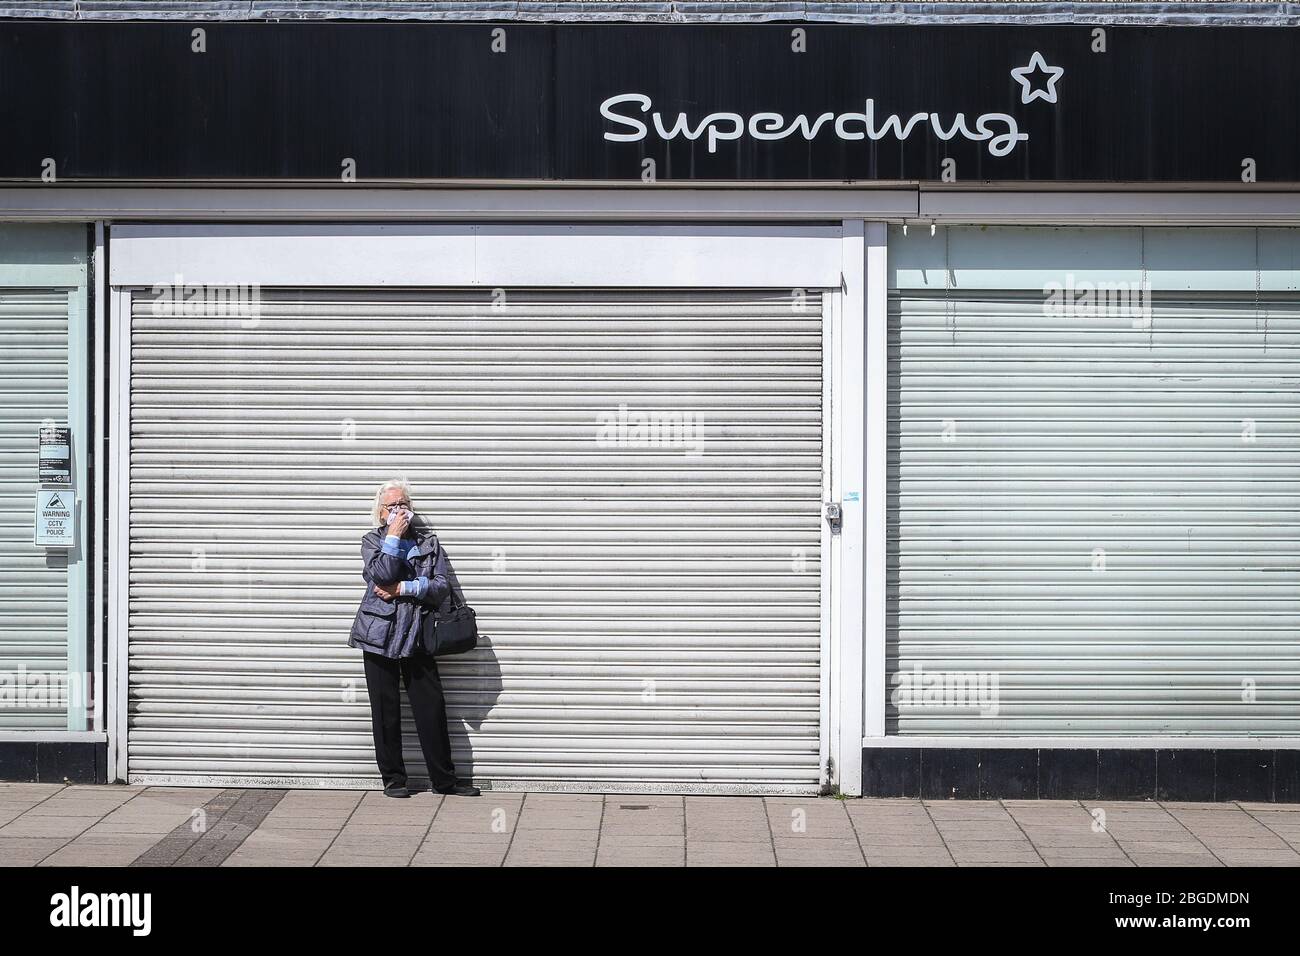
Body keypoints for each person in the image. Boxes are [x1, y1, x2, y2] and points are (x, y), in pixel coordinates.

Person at [348, 478, 480, 798]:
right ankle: (394, 780)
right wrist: (392, 539)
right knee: (385, 709)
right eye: (392, 506)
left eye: (403, 504)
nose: (399, 510)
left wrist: (405, 589)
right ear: (381, 513)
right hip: (379, 635)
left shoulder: (429, 542)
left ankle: (444, 781)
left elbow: (440, 587)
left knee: (430, 708)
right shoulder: (371, 541)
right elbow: (380, 574)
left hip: (419, 635)